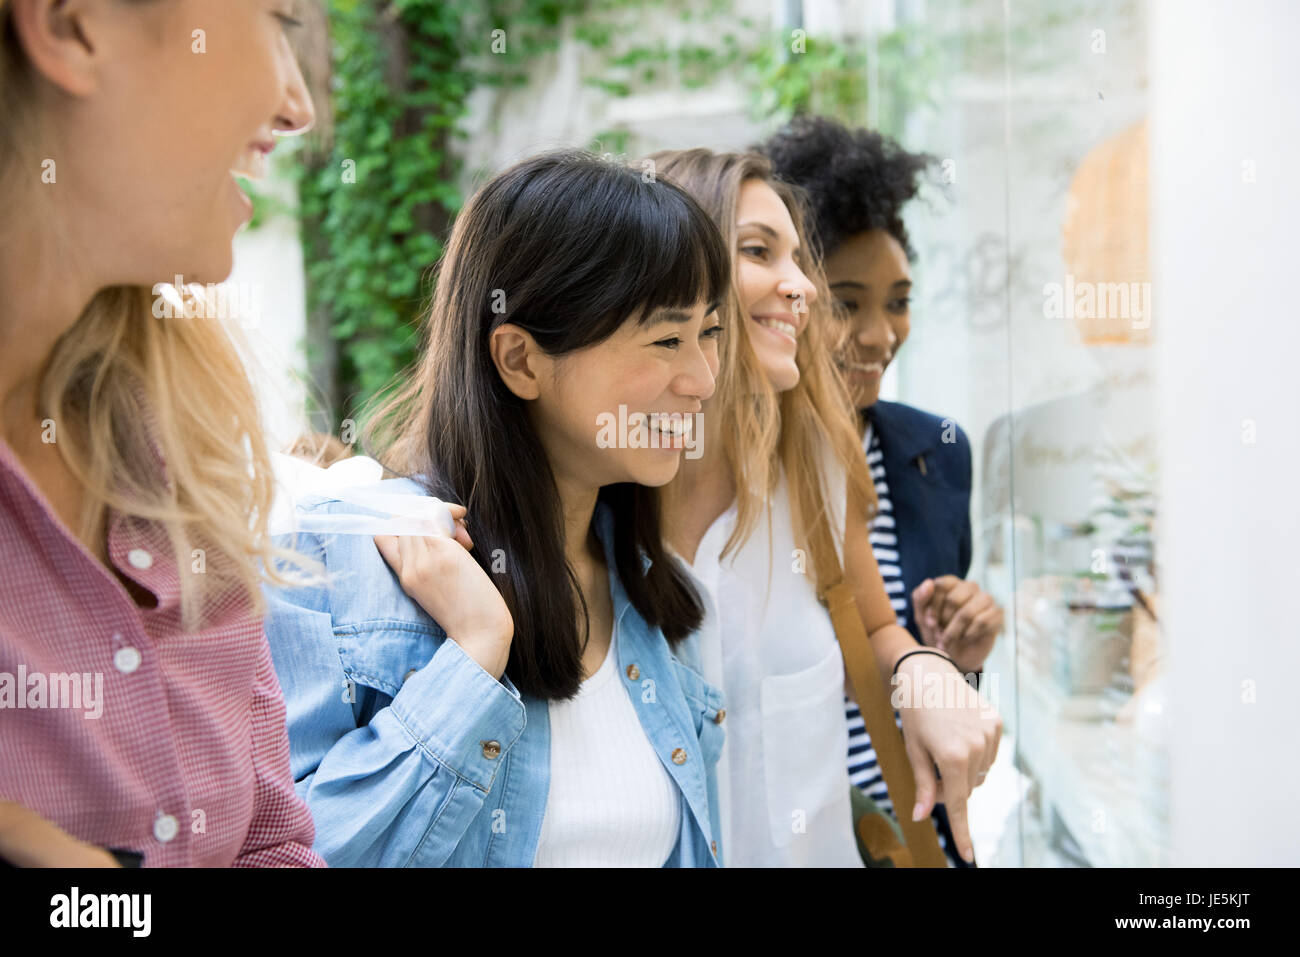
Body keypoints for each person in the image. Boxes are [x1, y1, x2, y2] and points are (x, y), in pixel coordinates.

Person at [264, 151, 732, 867]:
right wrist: (476, 653)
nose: (702, 378)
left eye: (711, 332)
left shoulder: (655, 595)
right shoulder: (340, 561)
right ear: (519, 359)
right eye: (668, 338)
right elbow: (294, 848)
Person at [0, 0, 322, 866]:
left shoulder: (179, 439)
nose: (299, 108)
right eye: (279, 18)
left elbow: (271, 841)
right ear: (73, 26)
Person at [650, 147, 1001, 867]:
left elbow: (874, 631)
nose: (799, 287)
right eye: (758, 250)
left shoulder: (811, 469)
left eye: (799, 262)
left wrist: (924, 669)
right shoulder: (593, 497)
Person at [762, 115, 1005, 866]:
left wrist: (958, 656)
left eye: (897, 300)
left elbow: (917, 675)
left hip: (917, 827)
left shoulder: (935, 450)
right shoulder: (749, 467)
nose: (879, 333)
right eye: (847, 301)